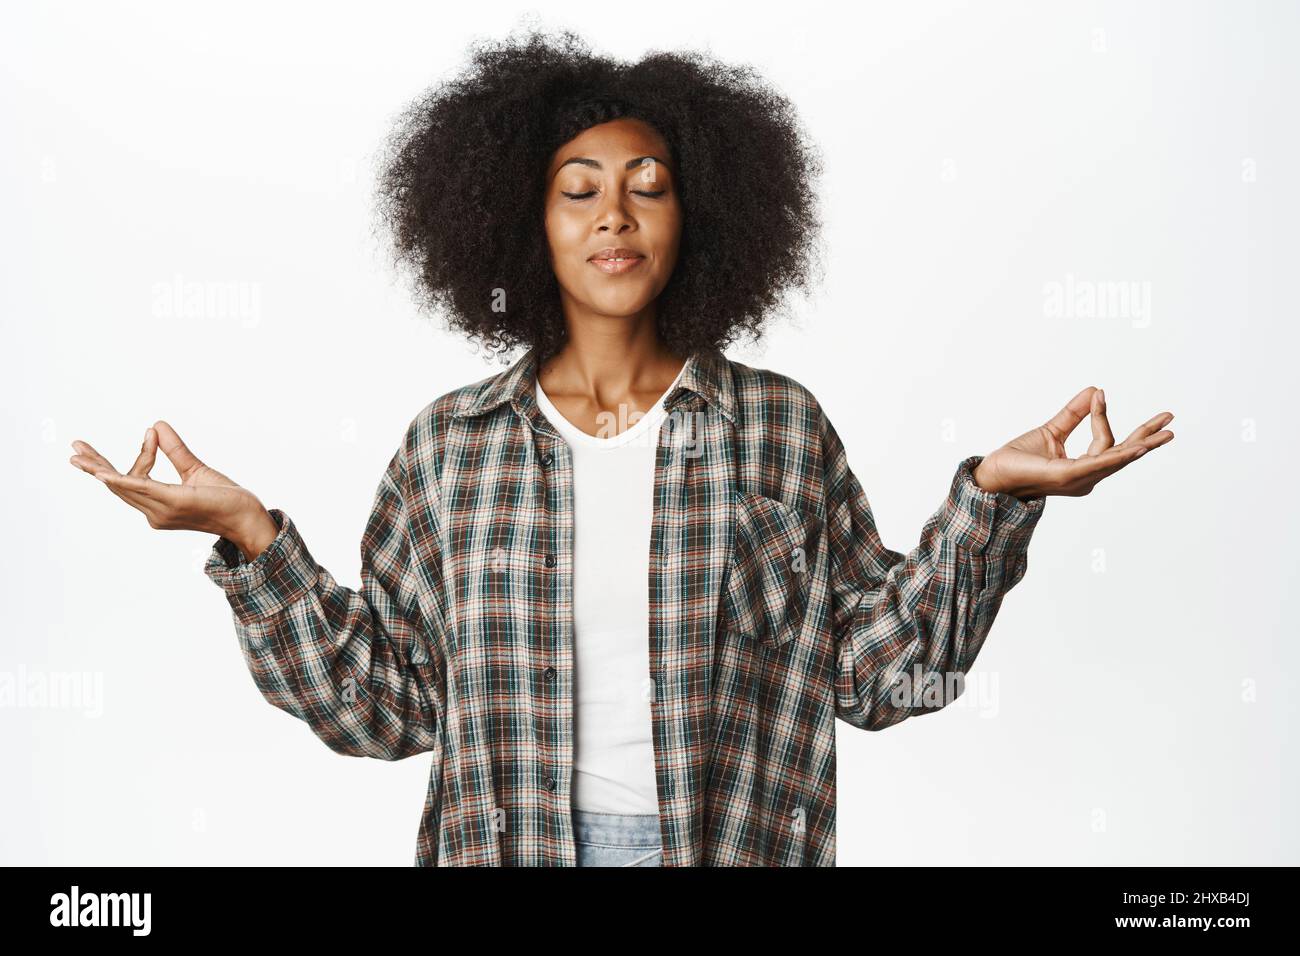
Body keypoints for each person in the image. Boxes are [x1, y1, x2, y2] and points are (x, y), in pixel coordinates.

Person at [68, 28, 1174, 867]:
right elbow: (387, 705)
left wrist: (990, 499)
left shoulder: (778, 430)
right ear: (522, 222)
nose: (615, 216)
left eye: (649, 187)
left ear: (700, 219)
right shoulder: (451, 449)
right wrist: (247, 536)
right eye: (578, 191)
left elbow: (882, 672)